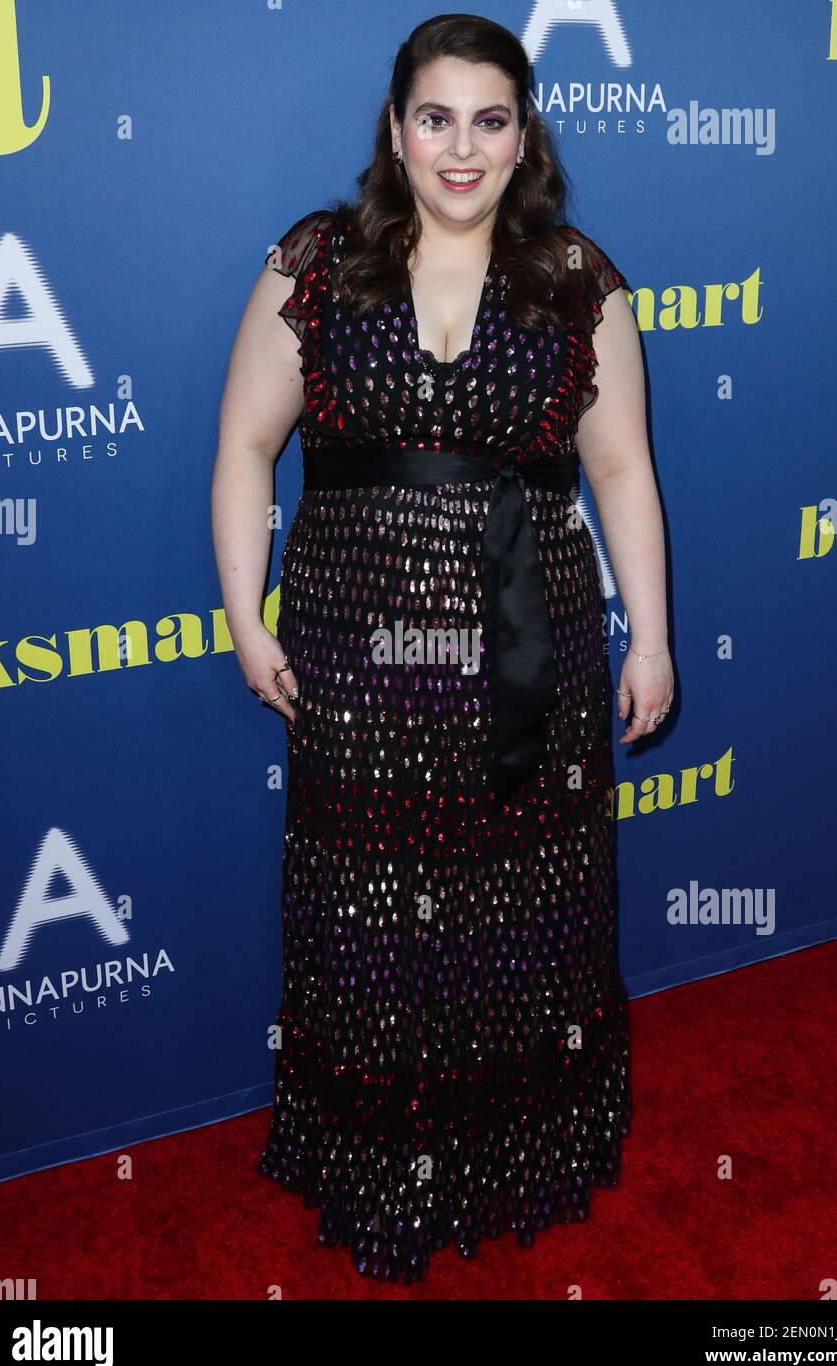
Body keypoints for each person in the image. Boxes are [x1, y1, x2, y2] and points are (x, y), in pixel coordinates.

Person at [211, 13, 673, 1283]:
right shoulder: (319, 260)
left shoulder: (578, 276)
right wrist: (246, 615)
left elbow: (621, 467)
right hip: (359, 652)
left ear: (524, 135)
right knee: (369, 914)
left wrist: (653, 642)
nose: (460, 148)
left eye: (490, 119)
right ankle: (375, 1156)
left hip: (536, 645)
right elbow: (247, 445)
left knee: (524, 905)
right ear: (395, 128)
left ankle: (518, 1147)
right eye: (435, 117)